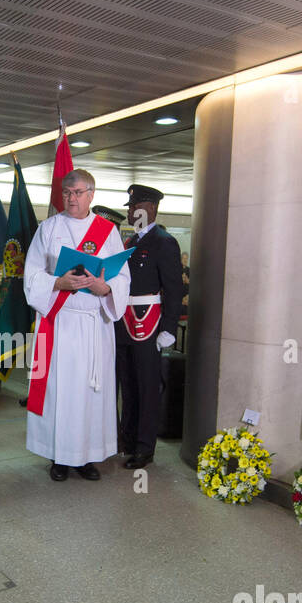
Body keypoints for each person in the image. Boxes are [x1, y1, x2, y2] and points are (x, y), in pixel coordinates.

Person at [23, 169, 130, 480]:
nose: (72, 198)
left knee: (89, 392)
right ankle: (59, 456)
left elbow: (122, 276)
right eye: (67, 193)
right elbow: (31, 274)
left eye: (79, 193)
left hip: (94, 324)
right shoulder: (48, 228)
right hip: (60, 323)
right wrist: (57, 282)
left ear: (91, 195)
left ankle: (86, 456)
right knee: (60, 390)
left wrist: (106, 288)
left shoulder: (107, 231)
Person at [115, 184, 183, 469]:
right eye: (130, 207)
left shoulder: (164, 241)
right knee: (128, 384)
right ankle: (127, 438)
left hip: (149, 322)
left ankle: (145, 447)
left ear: (151, 208)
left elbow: (174, 287)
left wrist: (168, 327)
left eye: (136, 206)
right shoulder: (128, 244)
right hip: (124, 320)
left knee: (146, 385)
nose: (131, 211)